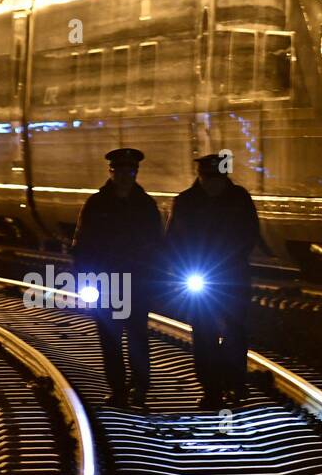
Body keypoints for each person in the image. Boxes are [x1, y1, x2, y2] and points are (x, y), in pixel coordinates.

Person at [166, 152, 261, 410]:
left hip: (232, 275)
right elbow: (173, 239)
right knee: (205, 333)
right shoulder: (186, 201)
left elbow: (250, 233)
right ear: (201, 177)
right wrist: (179, 267)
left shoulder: (238, 198)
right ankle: (212, 389)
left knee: (235, 331)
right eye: (209, 178)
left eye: (216, 179)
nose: (213, 184)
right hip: (205, 274)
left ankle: (234, 382)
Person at [70, 148, 163, 408]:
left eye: (129, 171)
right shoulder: (97, 204)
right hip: (107, 281)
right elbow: (82, 243)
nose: (124, 176)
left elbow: (157, 245)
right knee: (111, 337)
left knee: (135, 335)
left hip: (136, 281)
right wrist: (85, 276)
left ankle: (139, 386)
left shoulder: (145, 205)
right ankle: (119, 388)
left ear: (135, 173)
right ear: (111, 172)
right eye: (119, 171)